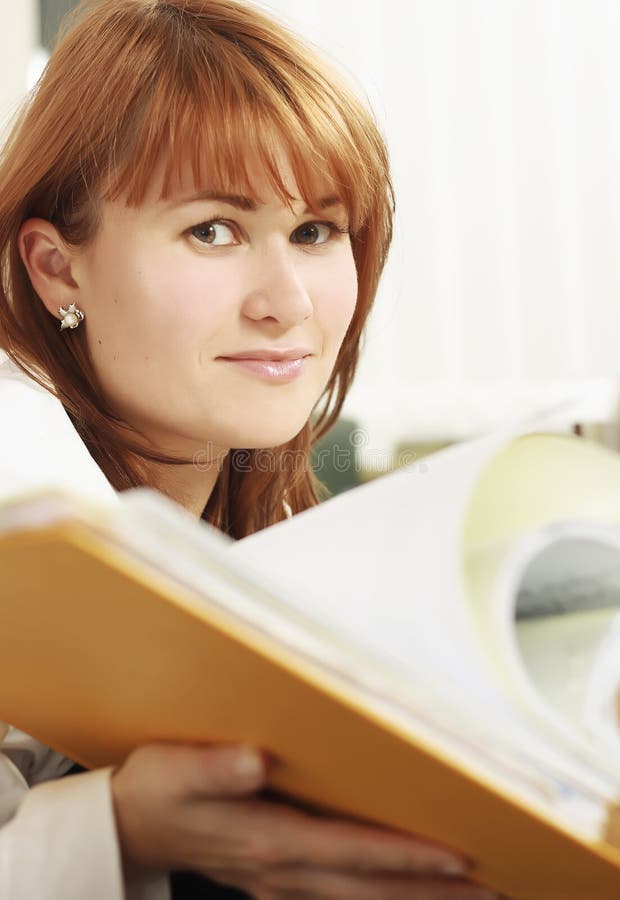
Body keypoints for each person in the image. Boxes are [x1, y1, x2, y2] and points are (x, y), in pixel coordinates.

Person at [0, 1, 500, 898]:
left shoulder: (237, 524)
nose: (286, 303)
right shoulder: (18, 482)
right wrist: (121, 831)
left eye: (315, 232)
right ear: (56, 268)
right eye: (213, 231)